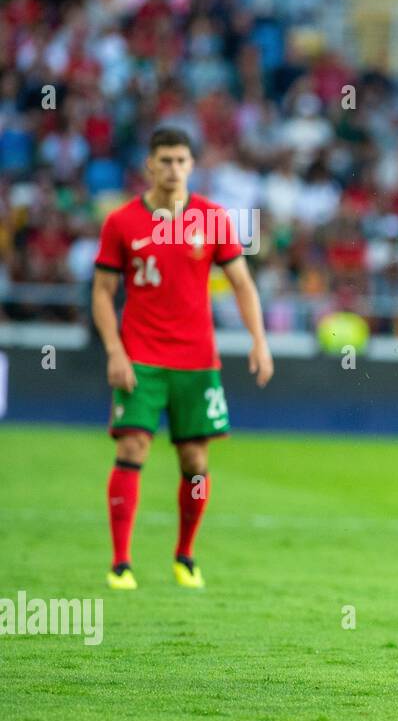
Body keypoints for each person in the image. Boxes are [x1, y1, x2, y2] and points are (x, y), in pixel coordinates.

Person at [92, 127, 274, 590]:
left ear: (192, 165)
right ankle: (120, 563)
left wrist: (259, 340)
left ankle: (185, 555)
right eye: (165, 160)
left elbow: (242, 284)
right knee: (132, 447)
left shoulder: (213, 219)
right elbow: (103, 291)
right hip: (140, 357)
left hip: (197, 360)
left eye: (181, 160)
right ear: (150, 165)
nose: (173, 169)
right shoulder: (122, 222)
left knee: (194, 460)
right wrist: (114, 350)